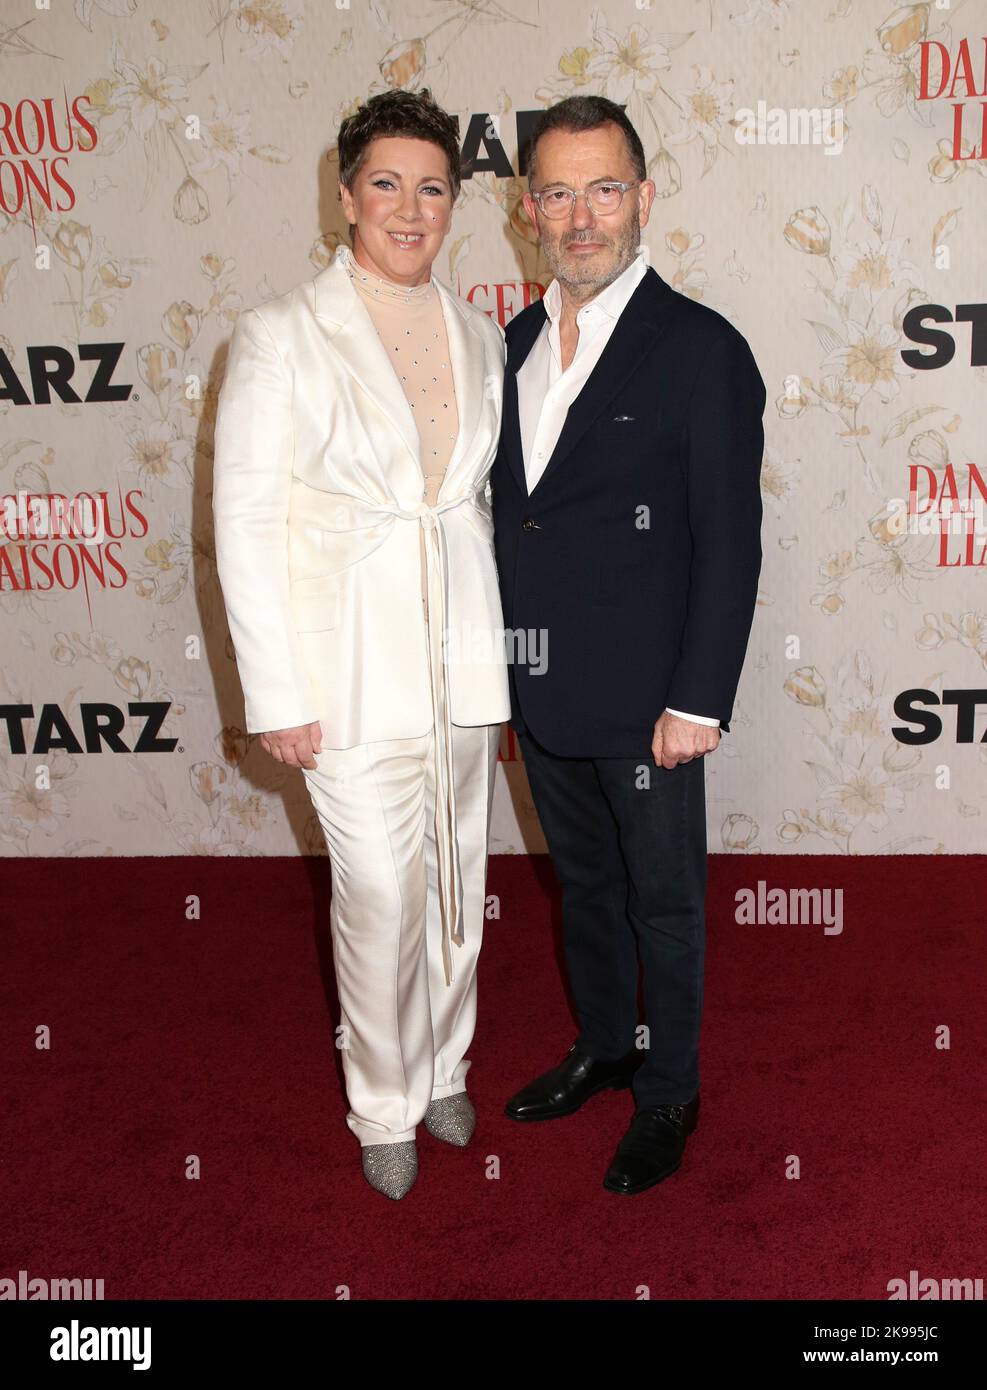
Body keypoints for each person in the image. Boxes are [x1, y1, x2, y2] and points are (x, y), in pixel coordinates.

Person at [212, 88, 510, 1200]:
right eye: (386, 182)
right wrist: (276, 690)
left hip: (461, 662)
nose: (410, 205)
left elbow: (472, 508)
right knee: (381, 889)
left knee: (457, 880)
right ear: (345, 197)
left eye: (432, 186)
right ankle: (382, 1098)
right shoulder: (282, 334)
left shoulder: (478, 332)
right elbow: (245, 524)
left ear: (452, 206)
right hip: (341, 673)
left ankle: (444, 1066)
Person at [491, 95, 765, 1194]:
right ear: (528, 210)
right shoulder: (507, 342)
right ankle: (606, 1046)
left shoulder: (700, 349)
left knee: (663, 902)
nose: (582, 214)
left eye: (605, 188)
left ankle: (671, 1091)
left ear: (643, 198)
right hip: (541, 687)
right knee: (584, 889)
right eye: (558, 191)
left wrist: (697, 699)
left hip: (653, 702)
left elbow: (729, 543)